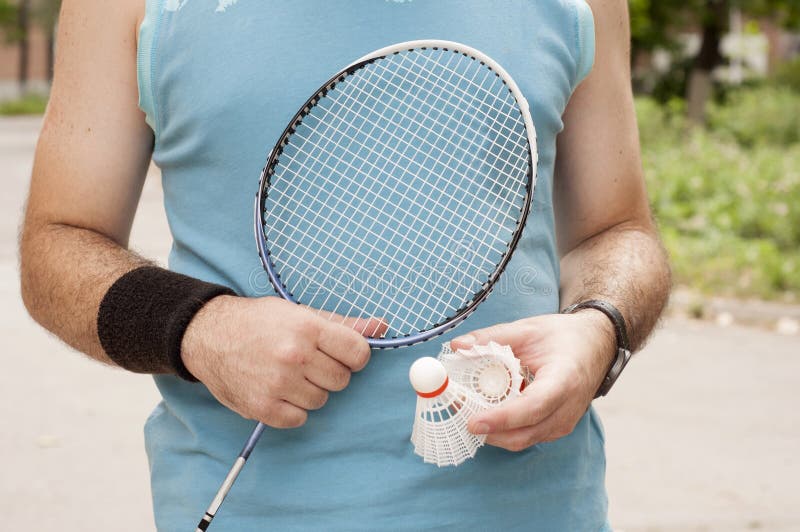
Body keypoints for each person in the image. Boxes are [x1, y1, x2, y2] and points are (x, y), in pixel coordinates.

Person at [20, 0, 671, 530]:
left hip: (542, 512)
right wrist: (200, 330)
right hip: (252, 513)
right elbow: (56, 247)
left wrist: (598, 329)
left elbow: (618, 232)